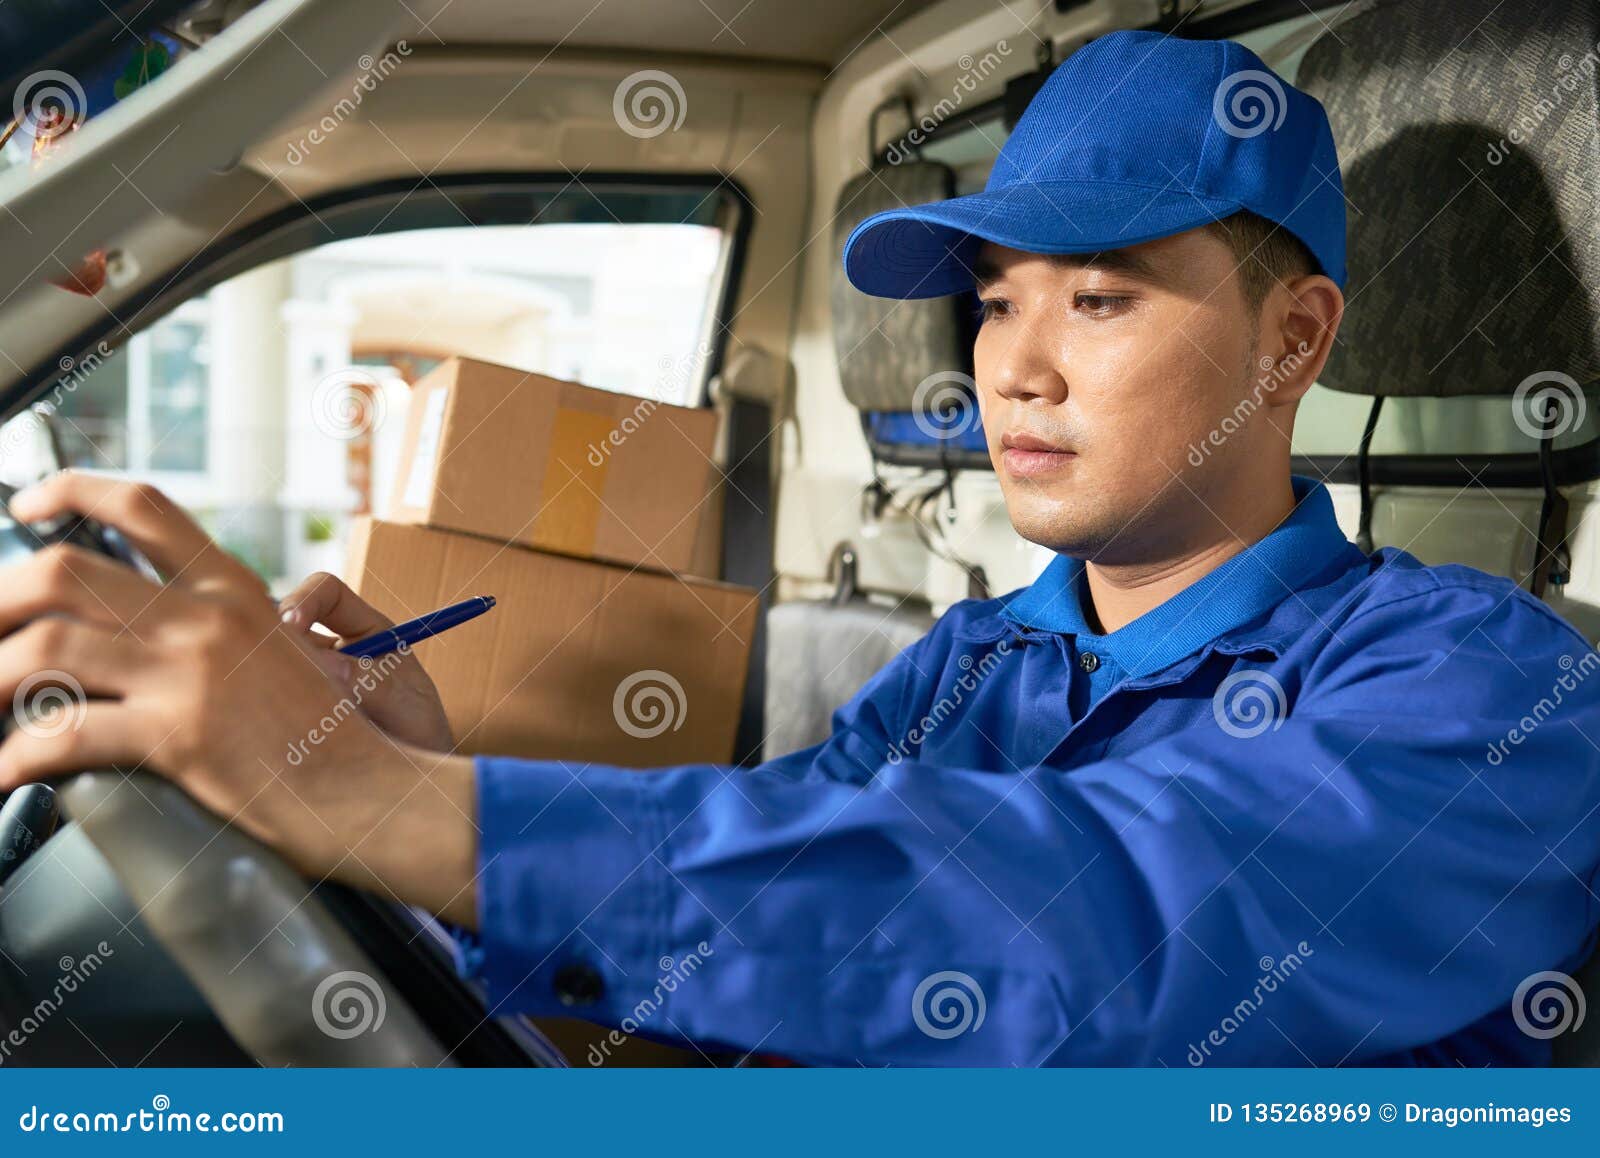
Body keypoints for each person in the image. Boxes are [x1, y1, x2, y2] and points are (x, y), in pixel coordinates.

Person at [1, 29, 1598, 1067]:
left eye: (1099, 298)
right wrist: (442, 777)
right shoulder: (974, 661)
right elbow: (781, 873)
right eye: (993, 301)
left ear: (1295, 337)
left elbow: (1124, 926)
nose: (1012, 369)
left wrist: (410, 810)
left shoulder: (1485, 686)